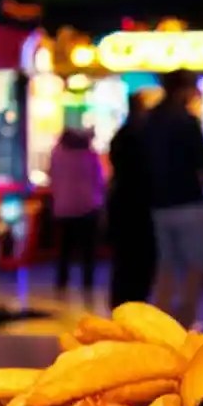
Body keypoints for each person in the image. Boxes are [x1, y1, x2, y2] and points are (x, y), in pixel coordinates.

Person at [142, 69, 203, 328]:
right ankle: (184, 327)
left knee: (165, 269)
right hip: (189, 203)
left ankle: (159, 330)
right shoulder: (186, 121)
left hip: (159, 205)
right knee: (195, 269)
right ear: (184, 89)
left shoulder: (151, 119)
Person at [107, 92, 156, 307]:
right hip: (139, 205)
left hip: (122, 203)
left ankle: (122, 302)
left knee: (124, 259)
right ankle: (134, 302)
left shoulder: (122, 135)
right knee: (139, 259)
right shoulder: (143, 135)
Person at [48, 129, 105, 291]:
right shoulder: (90, 156)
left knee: (64, 249)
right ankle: (88, 282)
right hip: (88, 206)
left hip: (64, 207)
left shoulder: (57, 155)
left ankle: (62, 281)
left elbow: (52, 177)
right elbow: (99, 180)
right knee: (88, 250)